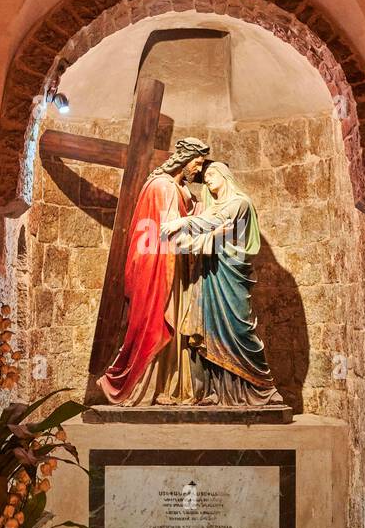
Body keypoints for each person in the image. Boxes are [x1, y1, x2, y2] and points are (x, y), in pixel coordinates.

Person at [98, 137, 209, 405]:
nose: (199, 169)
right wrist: (206, 221)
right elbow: (169, 228)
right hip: (161, 267)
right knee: (157, 322)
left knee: (173, 324)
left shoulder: (173, 186)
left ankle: (169, 386)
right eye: (197, 162)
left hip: (174, 265)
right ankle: (148, 388)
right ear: (184, 160)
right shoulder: (163, 186)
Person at [165, 160, 282, 407]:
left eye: (212, 173)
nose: (207, 178)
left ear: (225, 175)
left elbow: (211, 224)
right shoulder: (213, 207)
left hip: (230, 275)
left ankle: (262, 386)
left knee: (240, 329)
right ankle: (217, 390)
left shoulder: (239, 203)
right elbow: (206, 228)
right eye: (205, 175)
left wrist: (181, 222)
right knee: (208, 331)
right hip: (208, 276)